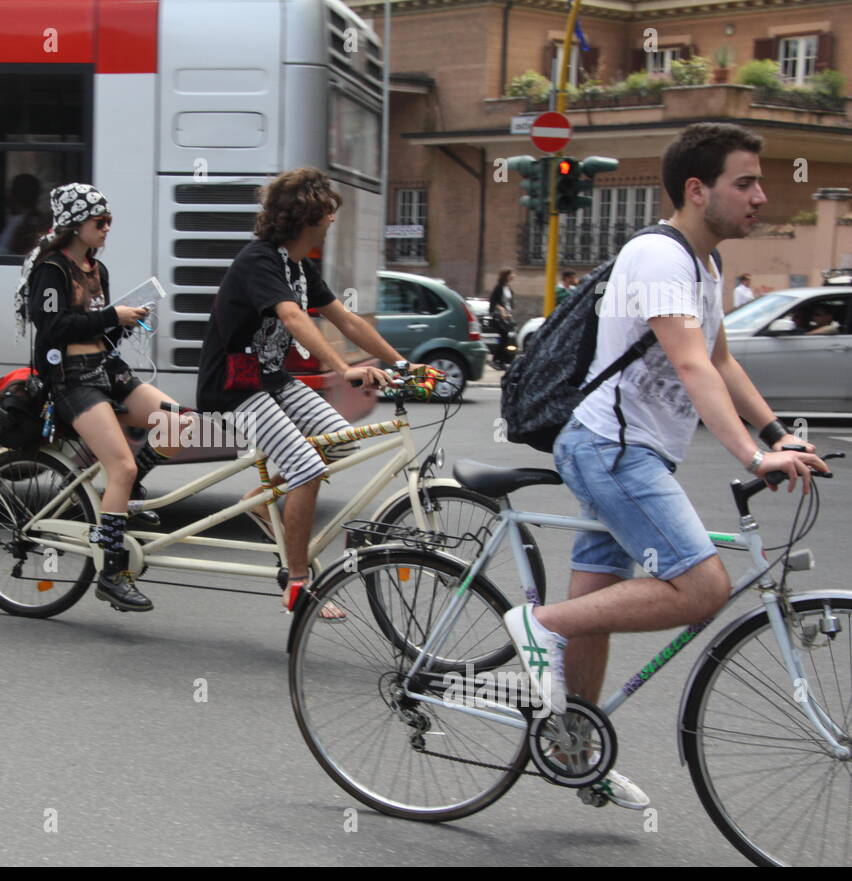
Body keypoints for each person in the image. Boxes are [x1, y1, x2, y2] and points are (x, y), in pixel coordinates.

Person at [501, 122, 828, 810]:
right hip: (609, 449)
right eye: (746, 183)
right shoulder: (658, 256)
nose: (760, 196)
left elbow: (719, 360)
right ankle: (538, 624)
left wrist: (776, 433)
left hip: (630, 450)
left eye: (759, 183)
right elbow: (685, 360)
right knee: (702, 587)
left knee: (598, 609)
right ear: (696, 188)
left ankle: (573, 751)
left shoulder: (705, 264)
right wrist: (750, 453)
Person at [196, 167, 423, 616]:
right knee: (305, 468)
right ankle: (299, 582)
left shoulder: (299, 266)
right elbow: (294, 319)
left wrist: (402, 364)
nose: (334, 220)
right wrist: (344, 369)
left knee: (339, 444)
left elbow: (348, 321)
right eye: (329, 212)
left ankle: (259, 502)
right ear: (309, 216)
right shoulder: (258, 261)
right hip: (232, 385)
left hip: (270, 378)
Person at [14, 183, 187, 613]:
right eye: (100, 222)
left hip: (106, 371)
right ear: (75, 225)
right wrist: (111, 316)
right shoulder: (51, 271)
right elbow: (52, 328)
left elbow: (94, 326)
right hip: (71, 380)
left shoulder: (97, 269)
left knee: (178, 422)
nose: (107, 229)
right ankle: (112, 574)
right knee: (122, 465)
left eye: (109, 221)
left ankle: (124, 495)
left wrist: (124, 322)